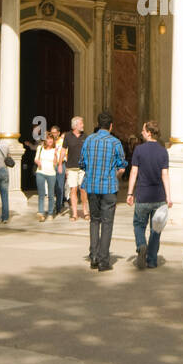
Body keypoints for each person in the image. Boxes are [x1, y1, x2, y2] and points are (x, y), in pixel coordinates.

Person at [79, 111, 127, 272]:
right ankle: (103, 260)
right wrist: (117, 172)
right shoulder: (115, 142)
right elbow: (122, 163)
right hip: (108, 186)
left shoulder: (88, 140)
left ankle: (93, 255)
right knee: (107, 223)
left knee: (94, 220)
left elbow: (82, 163)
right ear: (111, 125)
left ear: (98, 124)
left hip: (91, 186)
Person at [127, 120, 173, 270]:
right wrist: (168, 196)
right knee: (156, 230)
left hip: (143, 195)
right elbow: (165, 174)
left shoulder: (139, 150)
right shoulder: (163, 151)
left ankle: (141, 245)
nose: (141, 132)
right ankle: (152, 260)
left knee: (139, 225)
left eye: (143, 130)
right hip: (159, 197)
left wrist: (129, 193)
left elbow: (134, 172)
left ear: (149, 132)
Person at [63, 116, 89, 221]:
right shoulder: (68, 136)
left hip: (83, 168)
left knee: (83, 190)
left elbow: (88, 151)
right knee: (73, 189)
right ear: (75, 125)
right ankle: (74, 213)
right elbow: (64, 150)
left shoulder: (85, 136)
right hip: (71, 167)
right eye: (81, 123)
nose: (83, 125)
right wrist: (61, 165)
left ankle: (85, 211)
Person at [33, 131, 63, 222]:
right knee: (41, 194)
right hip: (40, 172)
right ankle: (41, 212)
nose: (49, 140)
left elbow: (55, 163)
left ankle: (50, 213)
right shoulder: (40, 148)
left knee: (50, 194)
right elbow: (36, 159)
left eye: (51, 139)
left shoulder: (56, 150)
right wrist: (38, 162)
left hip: (51, 173)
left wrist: (55, 154)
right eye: (48, 138)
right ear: (45, 140)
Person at [49, 126, 68, 216]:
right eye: (52, 133)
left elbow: (66, 154)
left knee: (60, 186)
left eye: (55, 132)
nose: (53, 134)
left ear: (59, 133)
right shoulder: (50, 142)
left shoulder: (63, 142)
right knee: (52, 186)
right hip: (51, 165)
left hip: (61, 164)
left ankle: (59, 207)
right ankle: (52, 207)